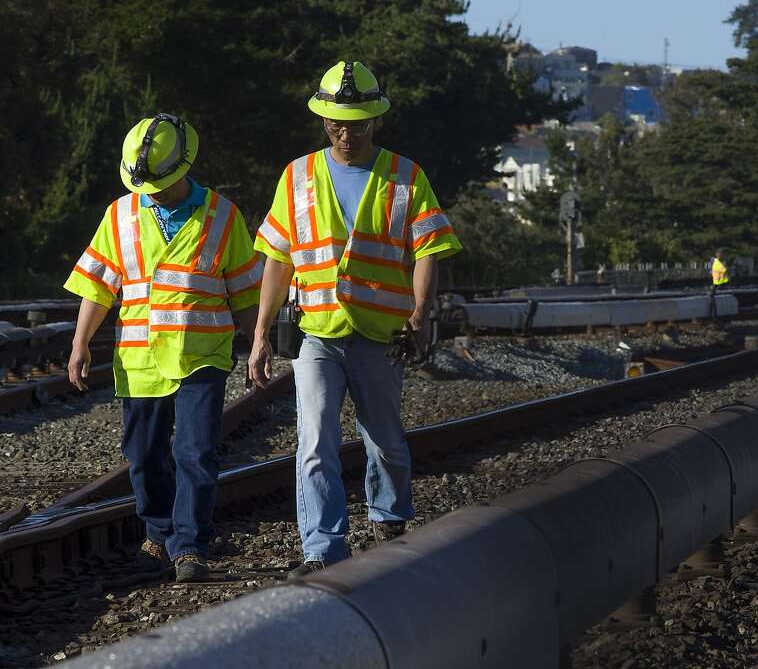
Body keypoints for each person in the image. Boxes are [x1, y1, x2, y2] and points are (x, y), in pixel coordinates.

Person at [248, 61, 462, 579]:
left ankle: (389, 517)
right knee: (314, 442)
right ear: (324, 122)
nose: (346, 134)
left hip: (383, 335)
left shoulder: (406, 175)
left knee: (385, 439)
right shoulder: (296, 176)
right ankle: (322, 548)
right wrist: (259, 334)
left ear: (376, 122)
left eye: (358, 124)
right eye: (336, 124)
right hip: (318, 332)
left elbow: (429, 248)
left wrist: (419, 314)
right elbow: (278, 258)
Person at [64, 114, 262, 583]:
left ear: (184, 167)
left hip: (202, 357)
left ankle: (190, 546)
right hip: (139, 360)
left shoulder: (222, 215)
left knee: (196, 452)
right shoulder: (120, 214)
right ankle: (158, 533)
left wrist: (258, 343)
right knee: (144, 453)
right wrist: (79, 342)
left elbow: (246, 292)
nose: (151, 191)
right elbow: (99, 286)